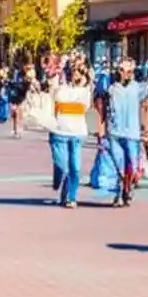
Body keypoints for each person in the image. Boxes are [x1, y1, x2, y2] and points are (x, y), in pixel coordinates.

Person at [98, 58, 148, 207]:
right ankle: (119, 193)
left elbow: (146, 107)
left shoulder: (139, 87)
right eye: (121, 70)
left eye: (128, 71)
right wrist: (100, 130)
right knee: (119, 165)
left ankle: (128, 189)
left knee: (131, 166)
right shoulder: (111, 87)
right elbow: (101, 106)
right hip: (115, 132)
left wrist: (146, 131)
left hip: (132, 133)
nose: (124, 74)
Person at [50, 65, 92, 208]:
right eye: (74, 72)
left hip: (77, 133)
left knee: (75, 167)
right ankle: (58, 175)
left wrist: (83, 83)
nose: (76, 76)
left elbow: (85, 106)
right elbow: (51, 99)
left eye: (80, 73)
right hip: (59, 132)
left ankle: (70, 196)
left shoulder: (85, 91)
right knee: (62, 166)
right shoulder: (59, 88)